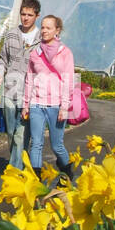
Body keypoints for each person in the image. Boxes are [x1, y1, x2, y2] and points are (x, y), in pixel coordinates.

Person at [21, 14, 75, 181]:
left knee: (57, 145)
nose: (44, 30)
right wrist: (26, 104)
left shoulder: (65, 53)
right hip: (37, 103)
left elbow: (68, 80)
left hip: (56, 105)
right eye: (42, 27)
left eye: (48, 28)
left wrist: (64, 107)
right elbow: (29, 79)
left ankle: (67, 176)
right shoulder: (35, 53)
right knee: (36, 144)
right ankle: (35, 182)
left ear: (57, 30)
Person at [0, 0, 40, 170]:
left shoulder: (40, 39)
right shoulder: (12, 34)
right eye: (23, 14)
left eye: (29, 14)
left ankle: (15, 170)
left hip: (28, 93)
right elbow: (2, 59)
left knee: (21, 134)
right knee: (11, 133)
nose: (25, 18)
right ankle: (20, 162)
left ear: (37, 15)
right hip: (9, 90)